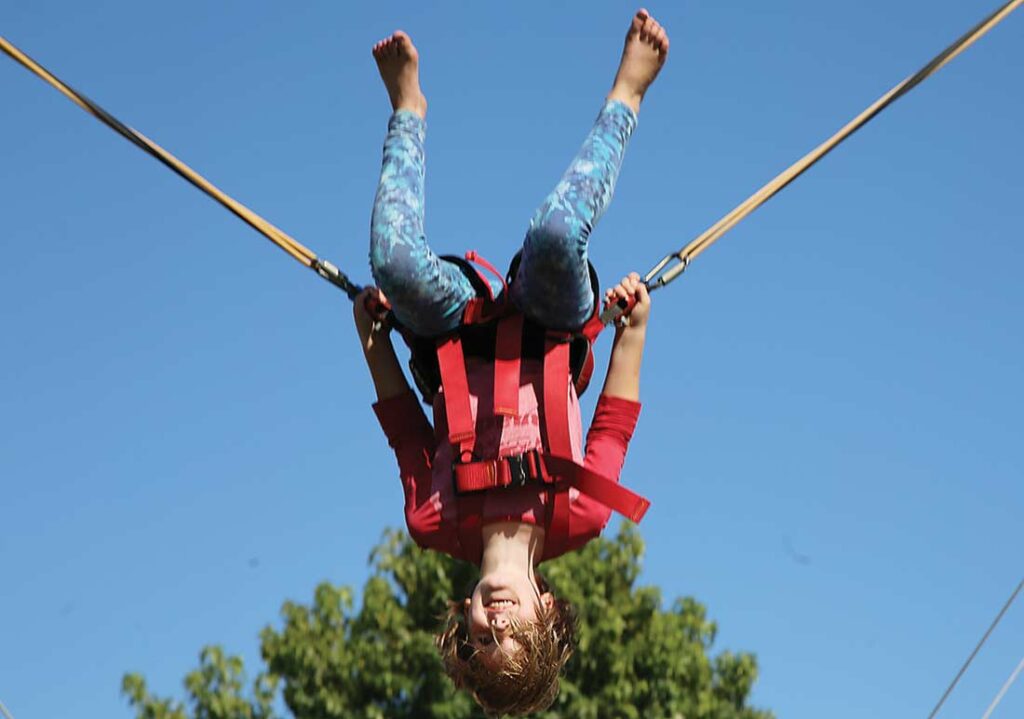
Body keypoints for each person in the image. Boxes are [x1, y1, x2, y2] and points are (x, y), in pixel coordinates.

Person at [353, 8, 668, 715]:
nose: (497, 619)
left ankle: (407, 109)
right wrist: (633, 328)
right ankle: (627, 94)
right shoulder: (580, 513)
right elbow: (613, 424)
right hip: (553, 325)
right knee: (557, 236)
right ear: (547, 610)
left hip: (453, 333)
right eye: (515, 633)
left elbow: (405, 426)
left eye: (482, 637)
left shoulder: (436, 519)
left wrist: (371, 335)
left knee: (394, 263)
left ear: (462, 619)